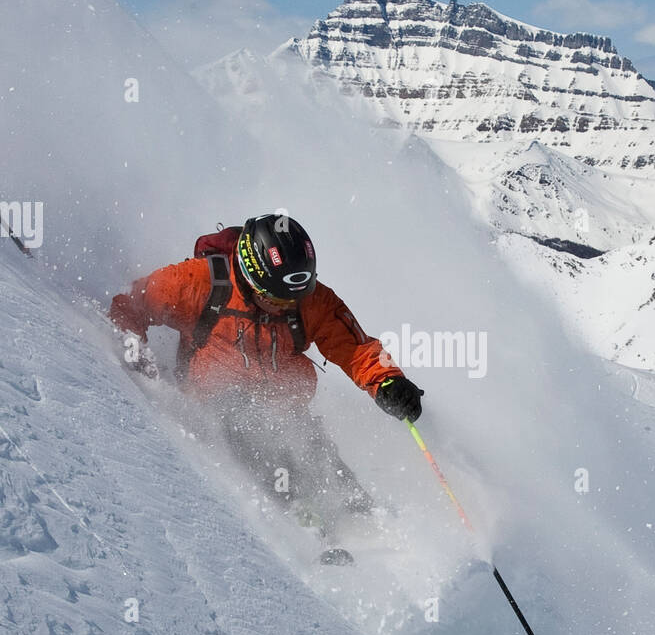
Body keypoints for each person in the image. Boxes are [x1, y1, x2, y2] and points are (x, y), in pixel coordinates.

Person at [109, 211, 423, 524]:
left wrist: (388, 382)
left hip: (282, 400)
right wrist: (136, 353)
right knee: (245, 422)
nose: (288, 306)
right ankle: (294, 509)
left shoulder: (309, 299)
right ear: (249, 275)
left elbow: (355, 347)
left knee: (307, 439)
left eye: (296, 298)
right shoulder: (197, 283)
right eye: (275, 298)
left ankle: (357, 507)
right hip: (214, 400)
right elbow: (131, 305)